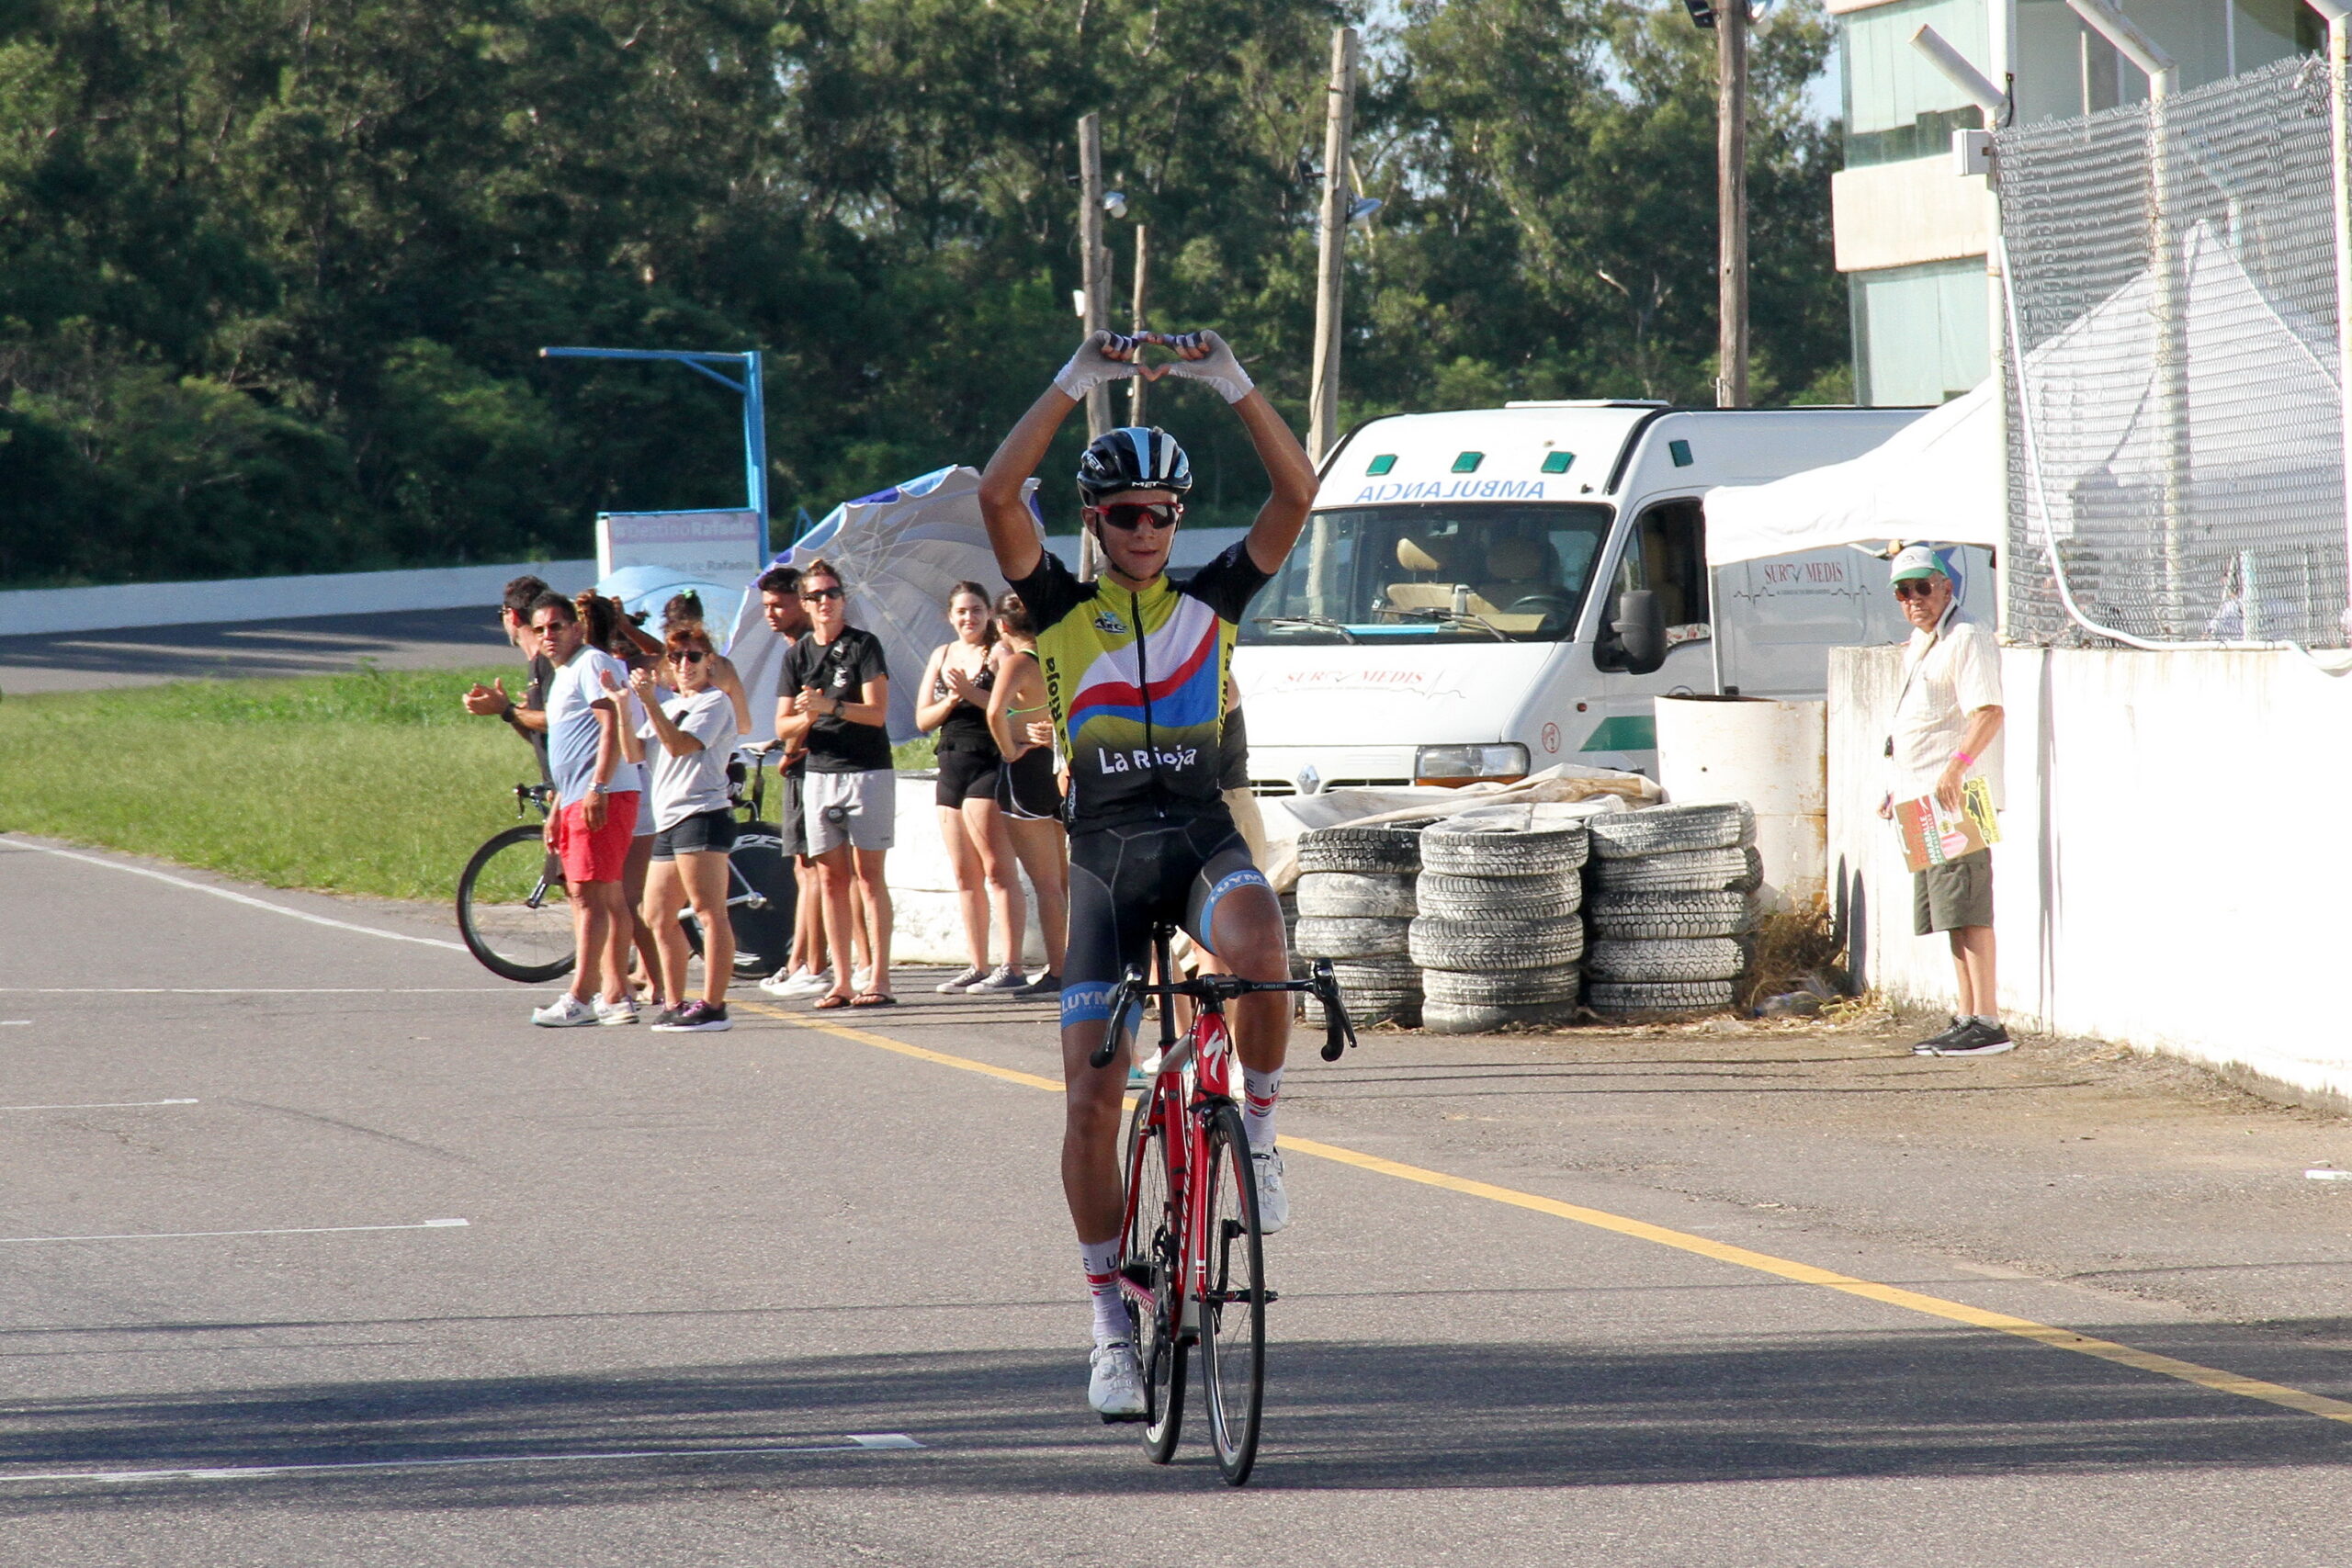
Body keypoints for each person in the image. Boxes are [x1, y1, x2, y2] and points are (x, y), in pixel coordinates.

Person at [976, 328, 1317, 1419]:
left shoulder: (1212, 599)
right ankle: (1107, 1325)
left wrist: (1231, 384)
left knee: (1264, 952)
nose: (1143, 530)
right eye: (1123, 514)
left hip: (1199, 839)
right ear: (1094, 520)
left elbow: (1295, 491)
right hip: (1108, 861)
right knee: (1089, 1097)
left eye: (1161, 514)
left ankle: (1256, 1128)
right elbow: (997, 494)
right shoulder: (1059, 612)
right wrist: (1076, 377)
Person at [1875, 544, 2008, 1058]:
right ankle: (1968, 1014)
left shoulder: (1966, 636)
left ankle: (1989, 1020)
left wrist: (1958, 767)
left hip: (1957, 797)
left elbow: (1989, 710)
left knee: (1969, 905)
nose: (1914, 600)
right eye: (1904, 592)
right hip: (1918, 795)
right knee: (1948, 912)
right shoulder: (1920, 643)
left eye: (1923, 588)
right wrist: (1895, 785)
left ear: (1946, 587)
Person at [775, 557, 897, 1009]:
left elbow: (878, 712)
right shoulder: (796, 656)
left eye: (831, 594)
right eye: (814, 596)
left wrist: (831, 707)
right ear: (804, 604)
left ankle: (878, 977)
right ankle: (841, 980)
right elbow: (782, 726)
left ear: (843, 600)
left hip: (867, 771)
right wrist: (806, 715)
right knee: (830, 879)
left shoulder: (864, 645)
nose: (823, 602)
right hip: (821, 773)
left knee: (869, 878)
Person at [526, 592, 644, 1027]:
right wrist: (560, 803)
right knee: (601, 894)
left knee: (590, 894)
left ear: (576, 627)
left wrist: (598, 787)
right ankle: (614, 995)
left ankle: (581, 994)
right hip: (577, 796)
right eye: (539, 630)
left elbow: (610, 723)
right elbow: (569, 747)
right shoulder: (563, 676)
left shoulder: (593, 663)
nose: (548, 636)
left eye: (556, 626)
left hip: (603, 795)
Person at [616, 626, 741, 1032]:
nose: (684, 665)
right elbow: (635, 752)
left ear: (710, 662)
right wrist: (623, 705)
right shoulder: (669, 705)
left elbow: (679, 746)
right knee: (655, 913)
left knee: (708, 911)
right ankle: (674, 1002)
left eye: (693, 656)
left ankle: (714, 1006)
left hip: (702, 813)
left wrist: (649, 700)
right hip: (670, 819)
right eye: (676, 658)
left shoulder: (714, 702)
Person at [917, 582, 1028, 994]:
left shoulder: (998, 652)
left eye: (977, 610)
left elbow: (1013, 707)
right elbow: (922, 719)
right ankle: (977, 963)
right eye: (962, 612)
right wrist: (950, 702)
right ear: (950, 616)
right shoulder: (941, 656)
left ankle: (1011, 964)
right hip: (950, 761)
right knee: (965, 875)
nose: (969, 618)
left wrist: (970, 693)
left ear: (988, 614)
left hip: (988, 762)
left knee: (997, 869)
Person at [574, 592, 664, 1010]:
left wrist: (622, 625)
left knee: (623, 899)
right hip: (631, 788)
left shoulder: (608, 671)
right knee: (623, 899)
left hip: (632, 791)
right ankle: (642, 980)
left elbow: (661, 653)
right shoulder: (615, 673)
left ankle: (634, 986)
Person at [984, 591, 1068, 998]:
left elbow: (994, 711)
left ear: (1002, 626)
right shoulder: (1060, 654)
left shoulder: (1018, 662)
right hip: (1062, 769)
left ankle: (1059, 969)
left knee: (1046, 883)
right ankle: (1075, 962)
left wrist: (1008, 749)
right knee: (1066, 880)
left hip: (1028, 773)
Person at [461, 574, 555, 774]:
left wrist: (507, 710)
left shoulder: (548, 661)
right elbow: (543, 739)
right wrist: (512, 714)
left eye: (500, 614)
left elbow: (561, 724)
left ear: (511, 615)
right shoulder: (537, 663)